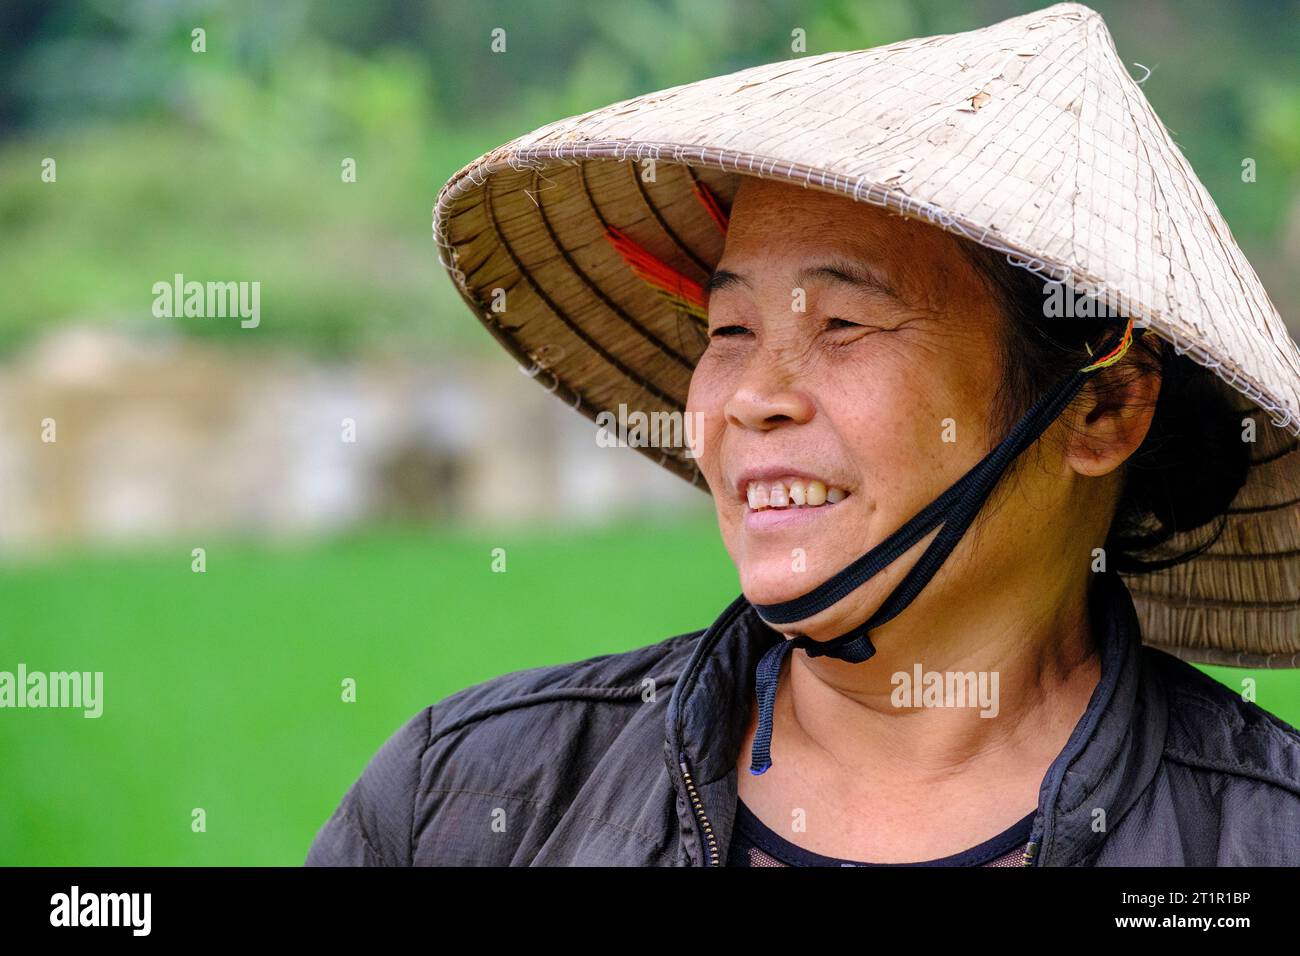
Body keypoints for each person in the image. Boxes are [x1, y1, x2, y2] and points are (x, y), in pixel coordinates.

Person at [306, 2, 1300, 866]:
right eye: (729, 330)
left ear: (1100, 408)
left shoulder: (1258, 834)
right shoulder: (470, 797)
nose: (750, 399)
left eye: (842, 325)